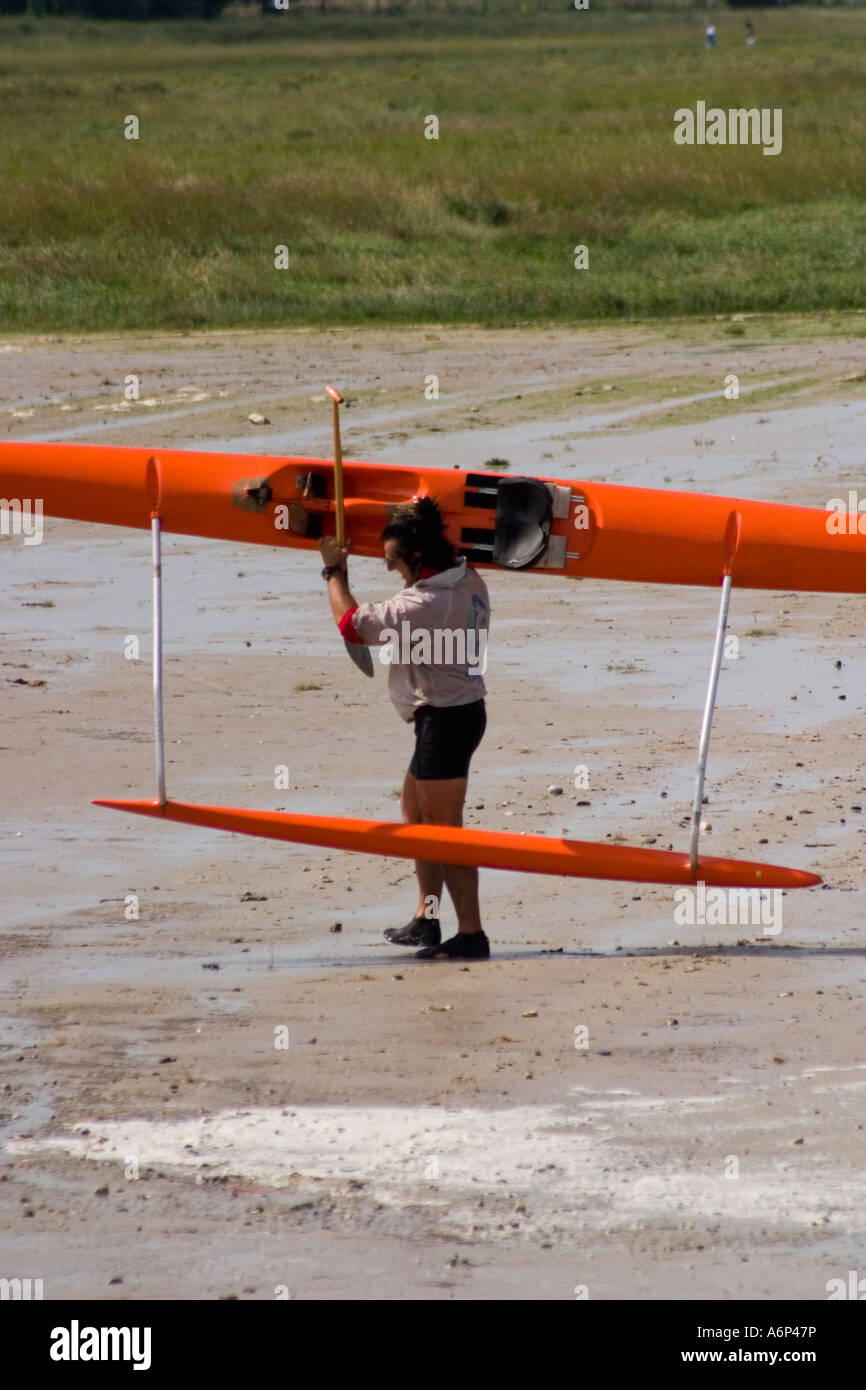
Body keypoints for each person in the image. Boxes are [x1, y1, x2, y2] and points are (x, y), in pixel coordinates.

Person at [318, 497, 491, 961]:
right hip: (459, 713)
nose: (391, 570)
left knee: (445, 833)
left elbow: (353, 626)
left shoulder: (425, 604)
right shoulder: (469, 578)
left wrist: (334, 571)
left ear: (416, 559)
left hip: (446, 720)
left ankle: (472, 934)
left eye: (392, 562)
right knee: (416, 815)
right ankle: (427, 919)